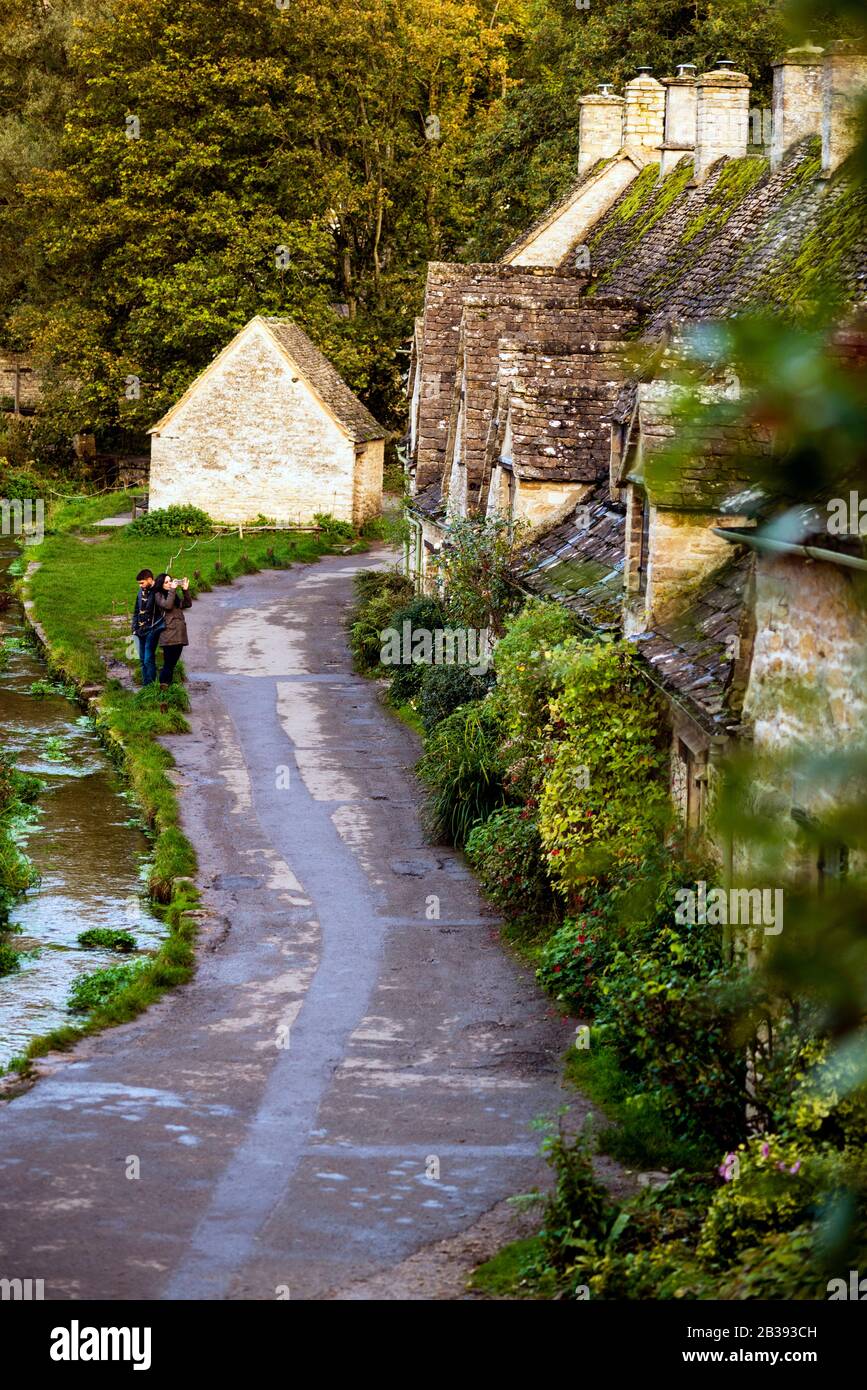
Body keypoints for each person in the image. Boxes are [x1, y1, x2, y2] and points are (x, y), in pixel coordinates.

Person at [153, 572, 192, 689]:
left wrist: (185, 590)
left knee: (172, 664)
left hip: (179, 635)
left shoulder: (172, 595)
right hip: (168, 635)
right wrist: (173, 590)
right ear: (161, 584)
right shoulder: (158, 595)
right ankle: (163, 686)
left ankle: (167, 686)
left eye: (170, 581)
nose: (170, 583)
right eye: (166, 582)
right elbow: (168, 605)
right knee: (168, 664)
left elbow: (187, 604)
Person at [131, 569, 164, 687]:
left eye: (142, 583)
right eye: (139, 584)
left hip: (152, 629)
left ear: (150, 580)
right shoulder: (140, 591)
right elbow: (136, 611)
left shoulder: (157, 591)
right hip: (140, 630)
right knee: (142, 661)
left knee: (148, 659)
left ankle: (151, 687)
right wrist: (134, 628)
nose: (140, 586)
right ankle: (146, 688)